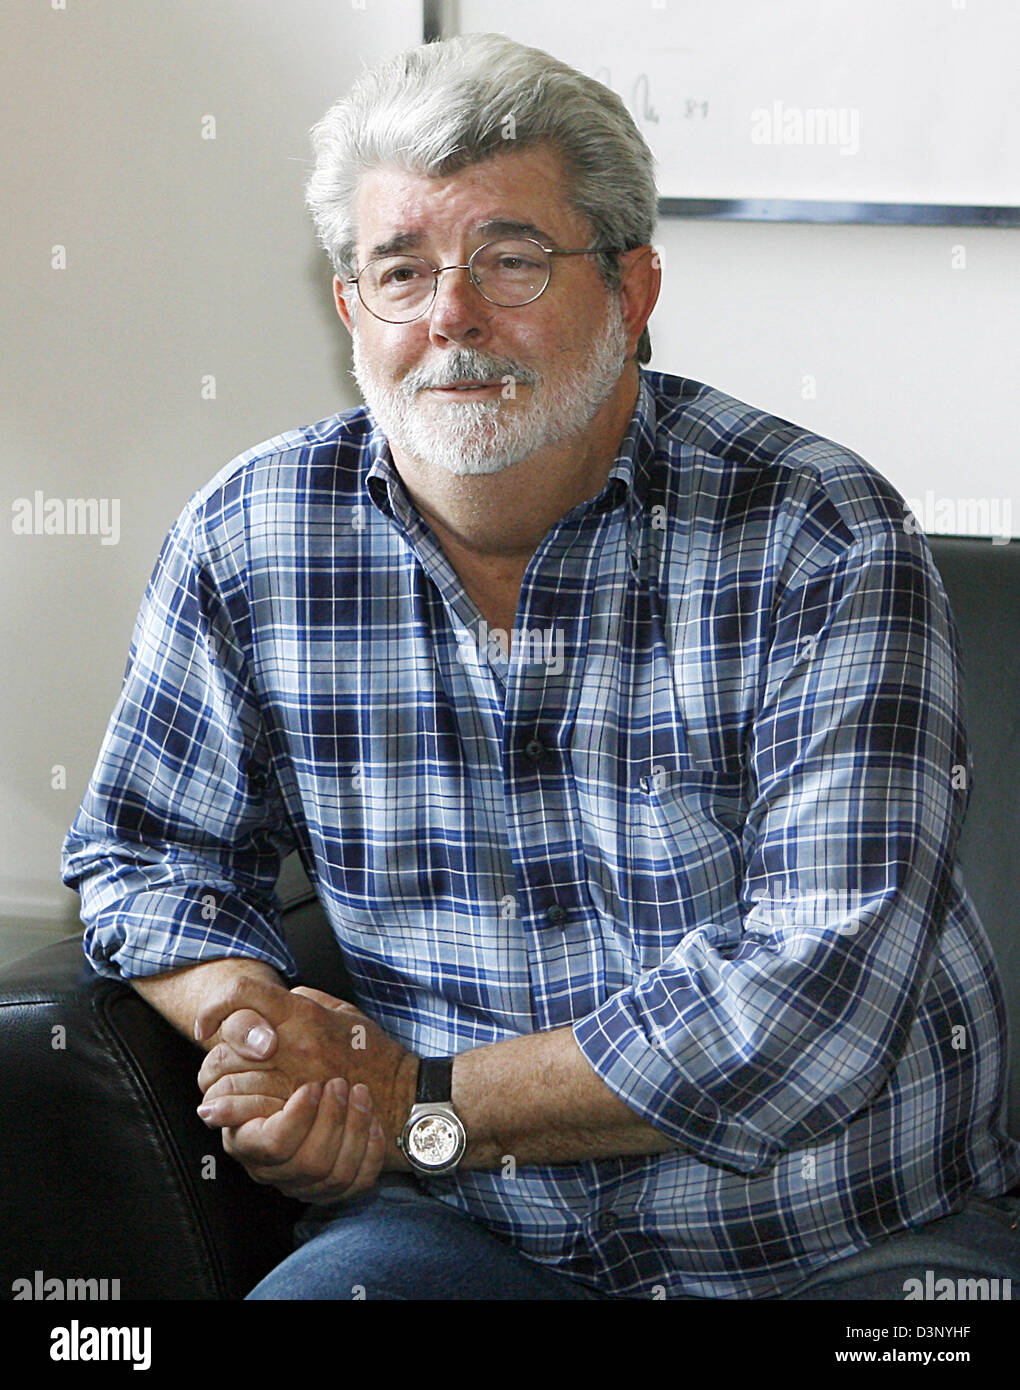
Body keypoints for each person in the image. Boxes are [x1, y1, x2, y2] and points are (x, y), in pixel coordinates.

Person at [61, 32, 1020, 1301]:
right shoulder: (251, 540)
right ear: (351, 307)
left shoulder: (821, 535)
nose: (451, 314)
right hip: (472, 1230)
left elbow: (811, 1004)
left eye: (510, 260)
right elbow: (144, 852)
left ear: (633, 290)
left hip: (842, 1236)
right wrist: (261, 1031)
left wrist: (412, 1102)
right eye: (400, 269)